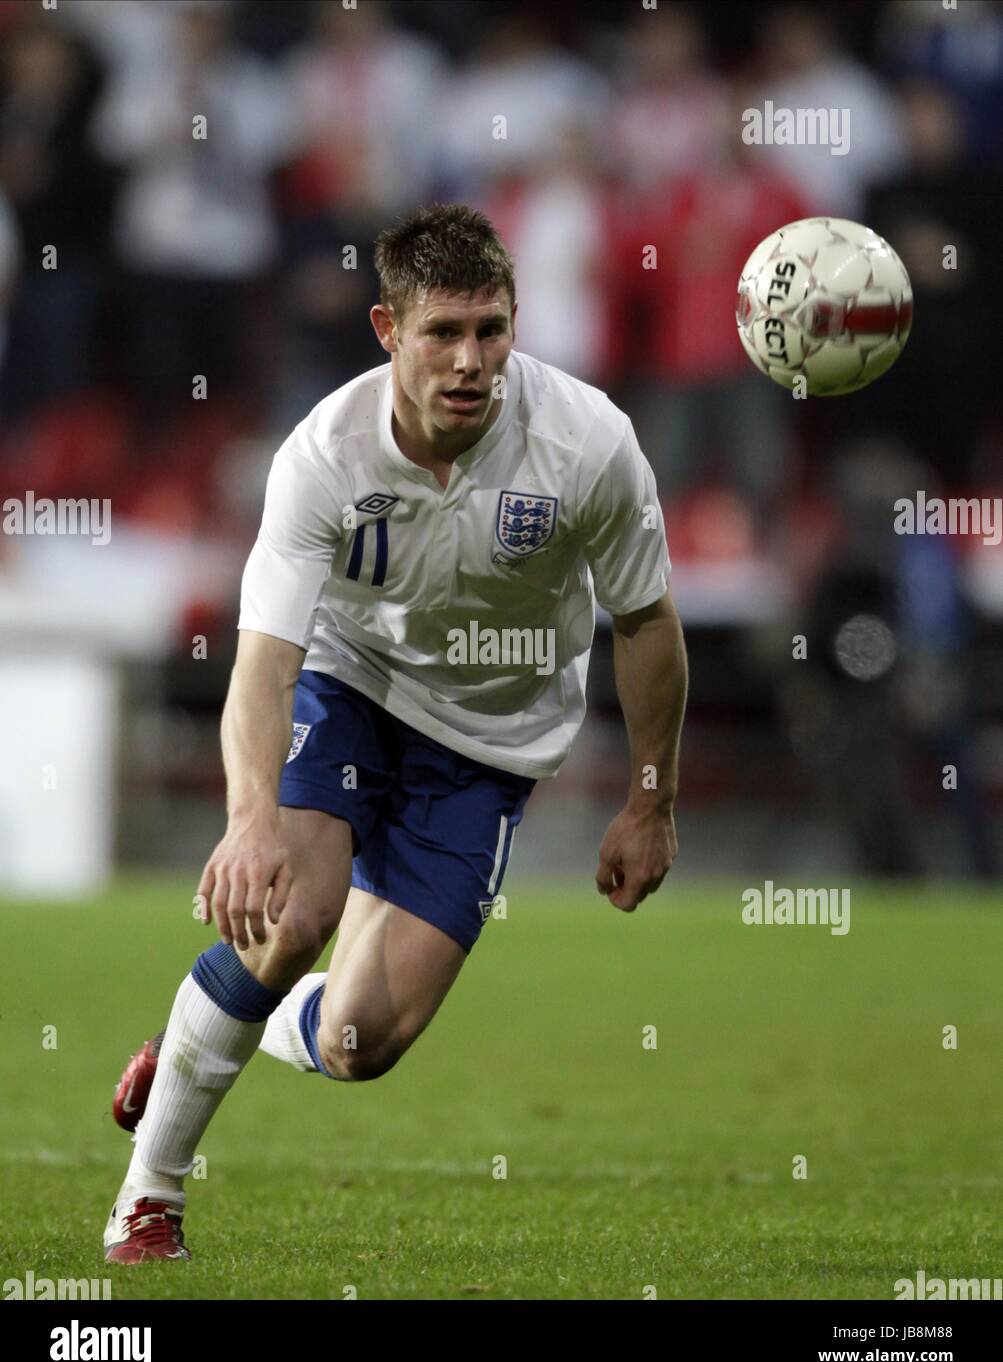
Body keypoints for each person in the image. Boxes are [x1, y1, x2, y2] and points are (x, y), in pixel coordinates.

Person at [103, 204, 688, 1263]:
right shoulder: (323, 454)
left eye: (492, 330)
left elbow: (647, 622)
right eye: (443, 332)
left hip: (491, 736)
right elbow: (268, 657)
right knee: (296, 911)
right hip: (351, 681)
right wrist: (248, 820)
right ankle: (150, 1196)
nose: (471, 361)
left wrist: (650, 798)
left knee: (359, 1042)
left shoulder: (589, 443)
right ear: (387, 328)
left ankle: (227, 1024)